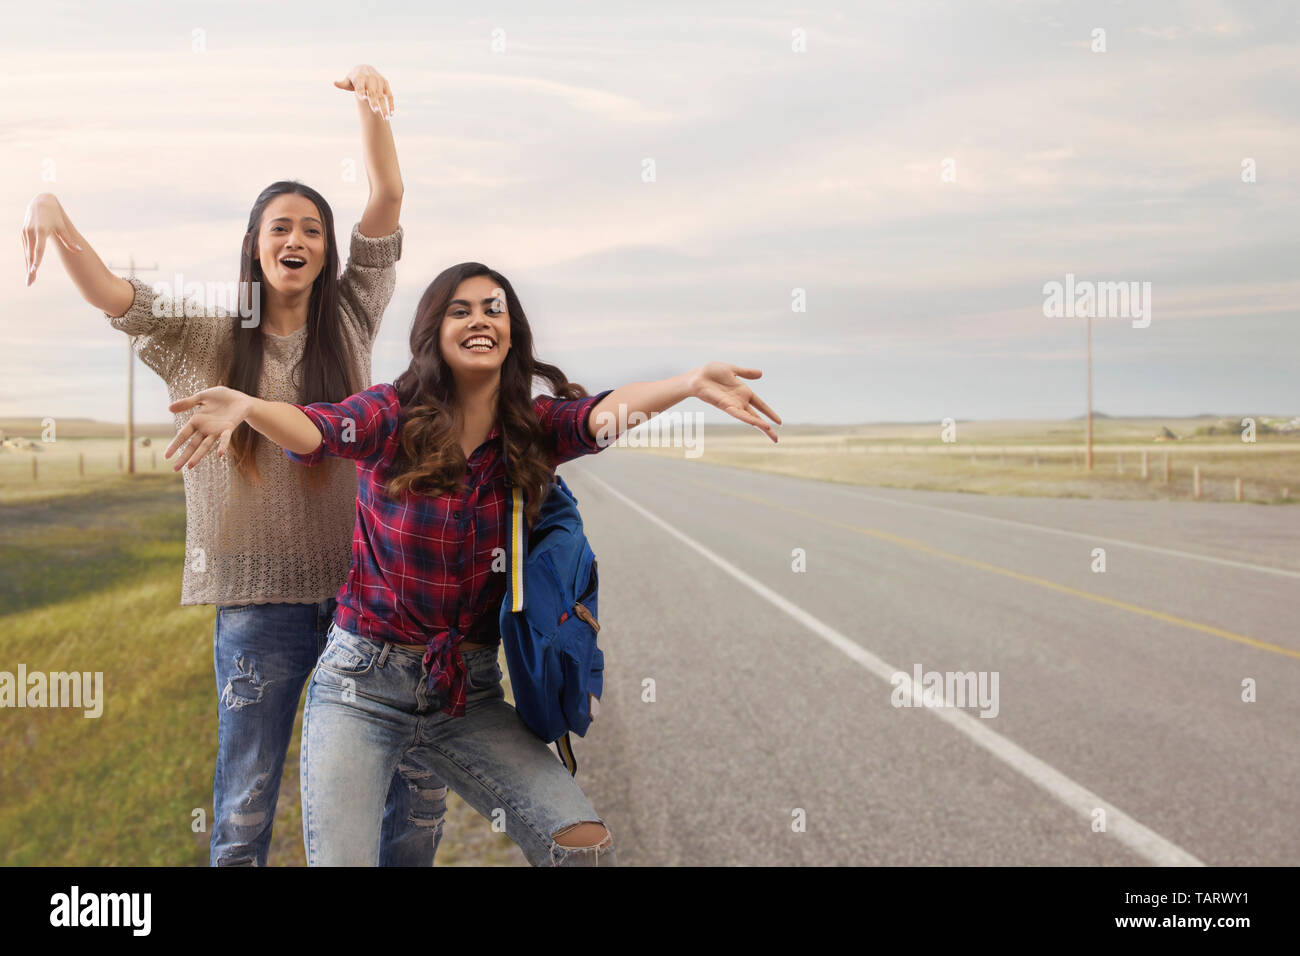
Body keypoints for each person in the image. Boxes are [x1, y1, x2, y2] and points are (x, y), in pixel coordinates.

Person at [162, 261, 782, 865]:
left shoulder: (530, 430)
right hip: (361, 686)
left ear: (512, 331)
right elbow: (322, 429)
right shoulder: (392, 415)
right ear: (435, 329)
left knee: (582, 845)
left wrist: (689, 384)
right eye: (461, 310)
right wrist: (250, 407)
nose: (480, 319)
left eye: (494, 308)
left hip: (467, 692)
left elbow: (600, 415)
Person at [19, 65, 431, 867]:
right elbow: (110, 292)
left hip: (360, 602)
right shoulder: (204, 335)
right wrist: (49, 210)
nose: (298, 240)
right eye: (281, 227)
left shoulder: (351, 316)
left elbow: (386, 198)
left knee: (379, 796)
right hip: (255, 608)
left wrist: (373, 110)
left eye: (312, 228)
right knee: (245, 808)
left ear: (325, 249)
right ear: (255, 243)